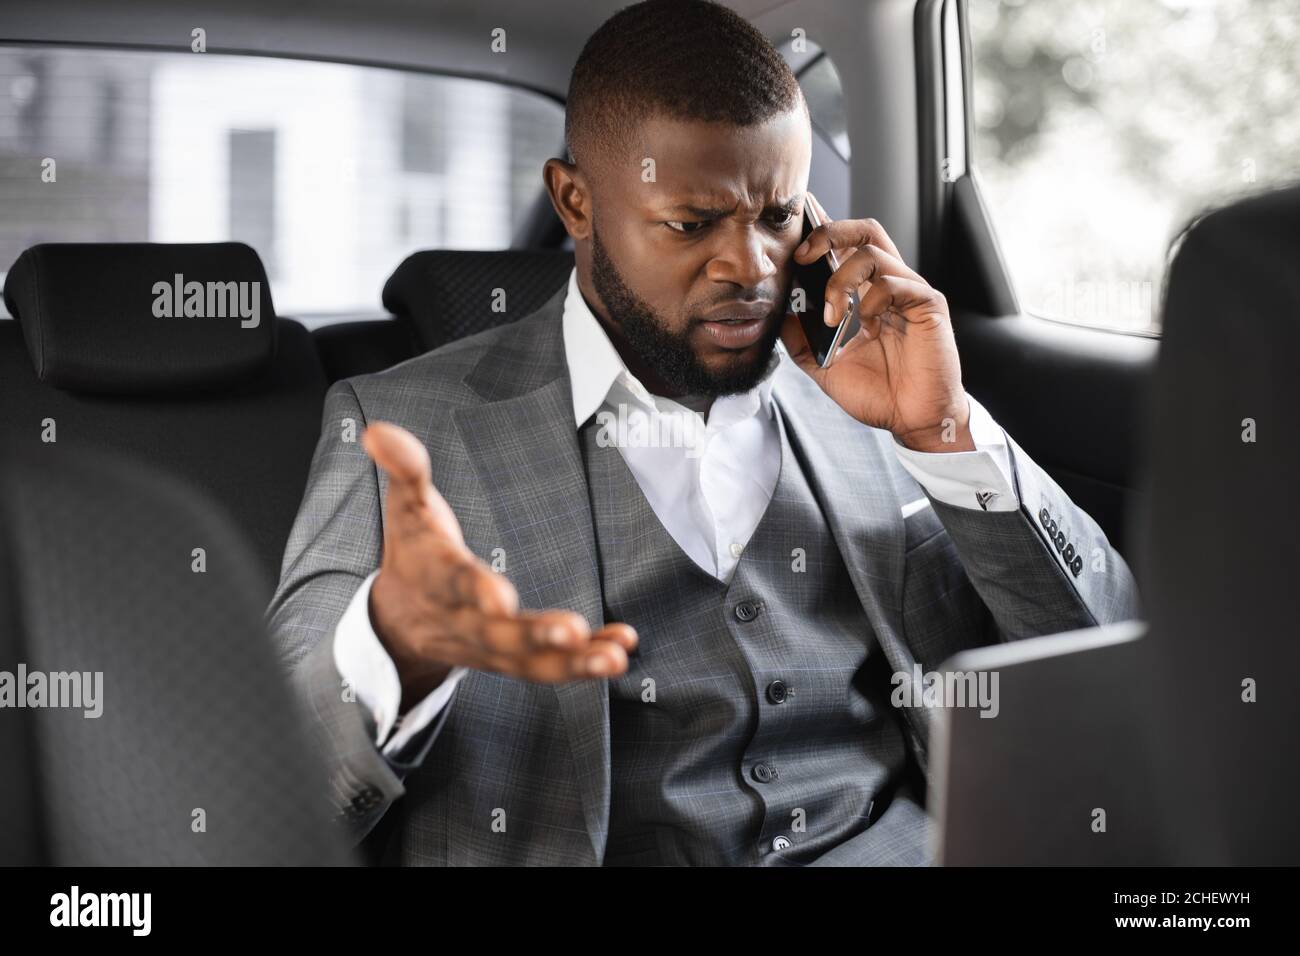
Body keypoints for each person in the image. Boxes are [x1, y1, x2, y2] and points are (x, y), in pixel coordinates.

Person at [268, 0, 1139, 866]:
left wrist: (945, 437)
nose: (750, 268)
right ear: (575, 202)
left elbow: (1109, 666)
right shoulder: (400, 427)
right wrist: (396, 647)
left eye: (777, 216)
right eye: (692, 224)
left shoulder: (874, 395)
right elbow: (265, 793)